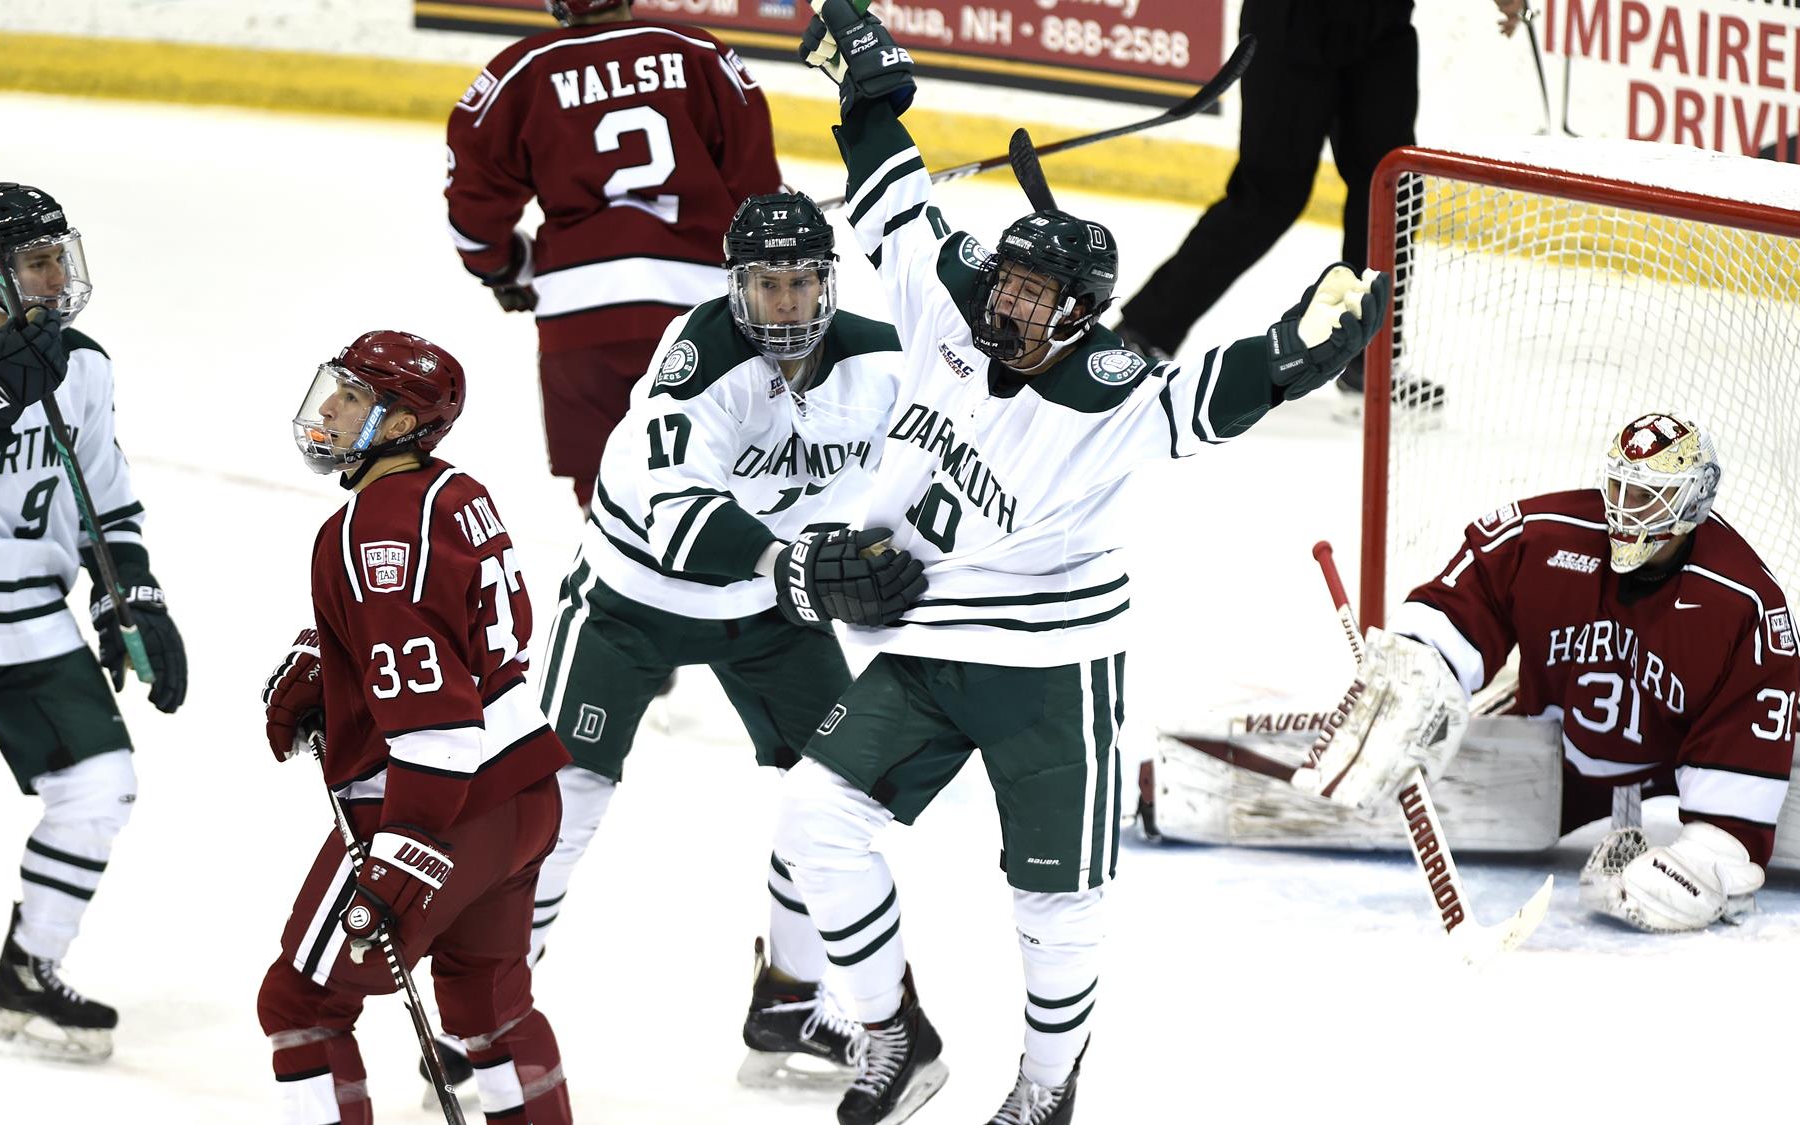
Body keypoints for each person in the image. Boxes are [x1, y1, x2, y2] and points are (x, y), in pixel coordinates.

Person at [775, 6, 1391, 1122]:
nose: (1004, 300)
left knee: (1053, 904)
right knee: (813, 821)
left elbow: (1201, 401)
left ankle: (1047, 1088)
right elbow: (899, 211)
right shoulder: (950, 311)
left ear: (1076, 317)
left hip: (1052, 675)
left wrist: (1294, 354)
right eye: (1003, 281)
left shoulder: (1106, 393)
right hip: (924, 653)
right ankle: (894, 1037)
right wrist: (867, 94)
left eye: (1028, 295)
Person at [529, 190, 913, 1089]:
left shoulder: (881, 361)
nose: (785, 303)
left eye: (802, 282)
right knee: (562, 805)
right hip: (636, 597)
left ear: (828, 282)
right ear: (735, 287)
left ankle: (788, 997)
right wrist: (802, 566)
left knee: (834, 796)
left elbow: (969, 416)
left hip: (772, 606)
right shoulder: (697, 361)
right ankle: (490, 1016)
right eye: (766, 284)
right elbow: (676, 517)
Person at [1300, 412, 1799, 933]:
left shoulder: (1744, 601)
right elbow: (1471, 593)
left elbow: (1751, 703)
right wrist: (1419, 668)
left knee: (1712, 853)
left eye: (1647, 496)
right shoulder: (1544, 537)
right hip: (1557, 753)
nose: (1625, 513)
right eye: (1619, 490)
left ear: (1692, 502)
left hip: (1677, 757)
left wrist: (1715, 849)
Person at [255, 330, 575, 1122]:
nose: (328, 409)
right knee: (489, 1007)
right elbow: (458, 630)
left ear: (400, 425)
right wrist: (331, 662)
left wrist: (406, 848)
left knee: (301, 1004)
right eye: (334, 388)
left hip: (441, 805)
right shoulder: (453, 491)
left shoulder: (371, 528)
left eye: (354, 398)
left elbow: (434, 709)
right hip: (524, 790)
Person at [0, 183, 188, 1061]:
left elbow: (102, 491)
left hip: (32, 618)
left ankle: (30, 970)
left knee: (101, 787)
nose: (59, 274)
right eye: (38, 260)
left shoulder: (85, 362)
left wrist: (130, 593)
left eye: (60, 254)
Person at [445, 0, 782, 511]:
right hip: (698, 309)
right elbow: (758, 193)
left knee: (606, 497)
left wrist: (506, 268)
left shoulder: (517, 71)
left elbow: (472, 218)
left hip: (579, 315)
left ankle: (621, 587)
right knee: (729, 478)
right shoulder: (699, 51)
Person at [1109, 0, 1437, 419]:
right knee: (1269, 194)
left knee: (1390, 189)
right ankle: (1144, 330)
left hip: (1382, 20)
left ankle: (1369, 357)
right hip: (1292, 20)